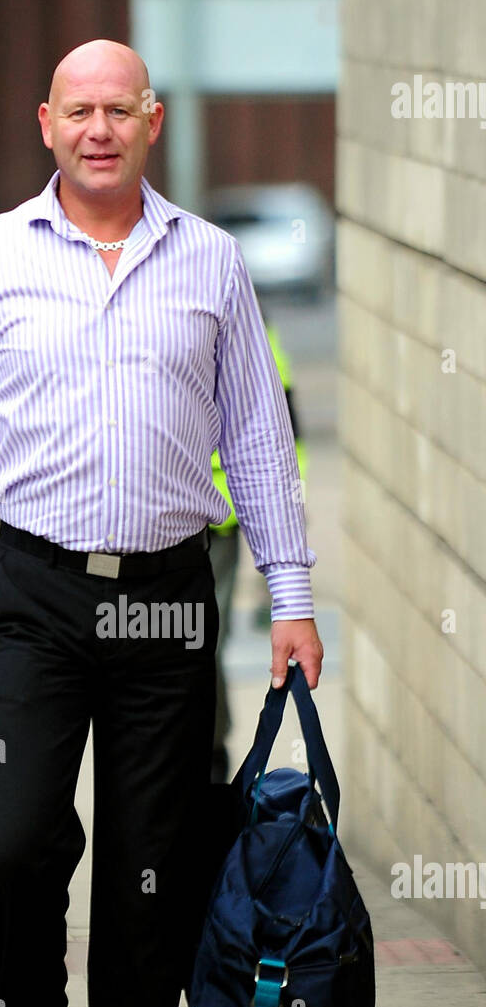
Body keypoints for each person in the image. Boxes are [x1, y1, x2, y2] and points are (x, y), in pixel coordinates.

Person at [0, 40, 323, 1007]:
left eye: (116, 111)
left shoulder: (215, 264)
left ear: (150, 120)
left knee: (152, 878)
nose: (97, 129)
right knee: (18, 846)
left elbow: (259, 442)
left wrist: (290, 597)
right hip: (35, 594)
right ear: (45, 124)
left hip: (172, 598)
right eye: (77, 111)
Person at [209, 320, 307, 782]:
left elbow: (279, 435)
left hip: (214, 524)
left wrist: (285, 532)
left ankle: (209, 754)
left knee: (198, 644)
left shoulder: (246, 327)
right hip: (142, 524)